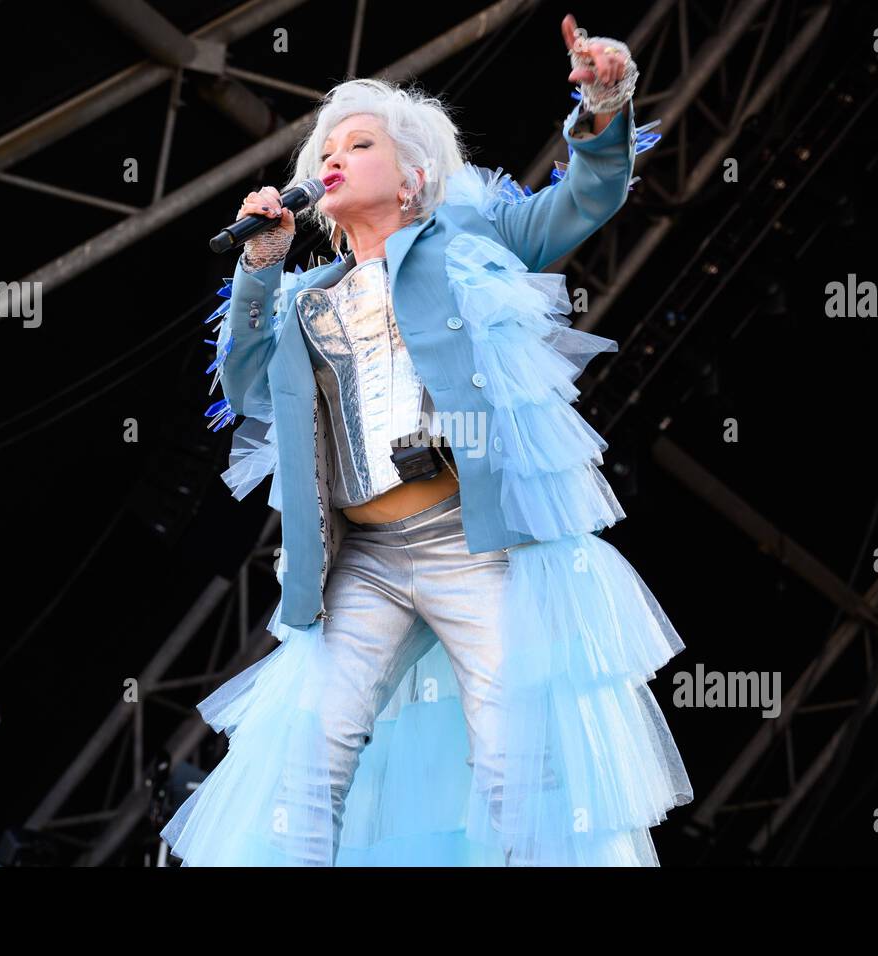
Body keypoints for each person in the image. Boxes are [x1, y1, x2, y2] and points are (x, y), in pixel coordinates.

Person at [162, 14, 692, 866]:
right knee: (307, 760)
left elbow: (586, 199)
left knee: (516, 760)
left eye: (360, 142)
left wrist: (604, 102)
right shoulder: (307, 300)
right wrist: (259, 266)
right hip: (361, 558)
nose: (332, 157)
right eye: (324, 151)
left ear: (411, 177)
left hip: (469, 540)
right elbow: (246, 387)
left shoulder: (469, 241)